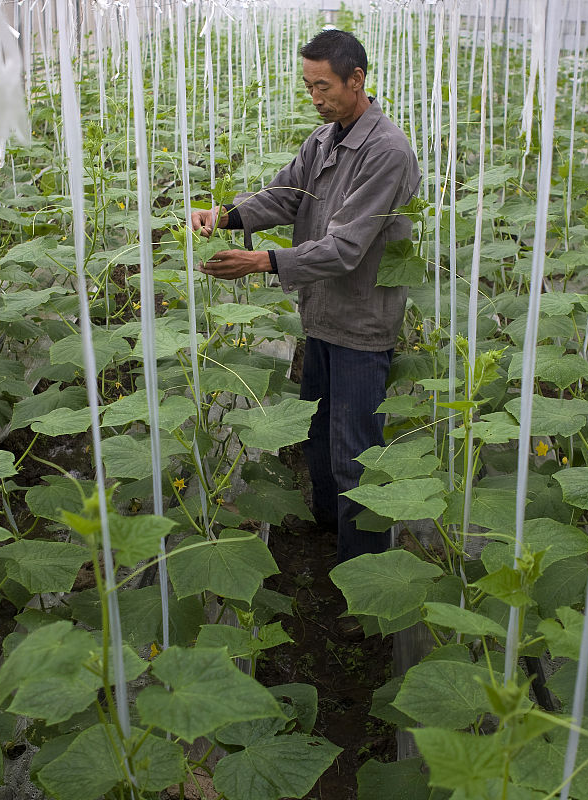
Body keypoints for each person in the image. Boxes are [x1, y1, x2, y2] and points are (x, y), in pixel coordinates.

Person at [191, 29, 420, 563]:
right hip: (321, 314)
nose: (314, 97)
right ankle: (327, 528)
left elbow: (344, 248)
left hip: (362, 324)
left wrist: (262, 260)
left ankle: (362, 572)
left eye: (323, 87)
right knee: (318, 432)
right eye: (308, 86)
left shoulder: (387, 151)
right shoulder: (323, 139)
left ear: (356, 79)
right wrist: (227, 216)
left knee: (355, 455)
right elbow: (286, 195)